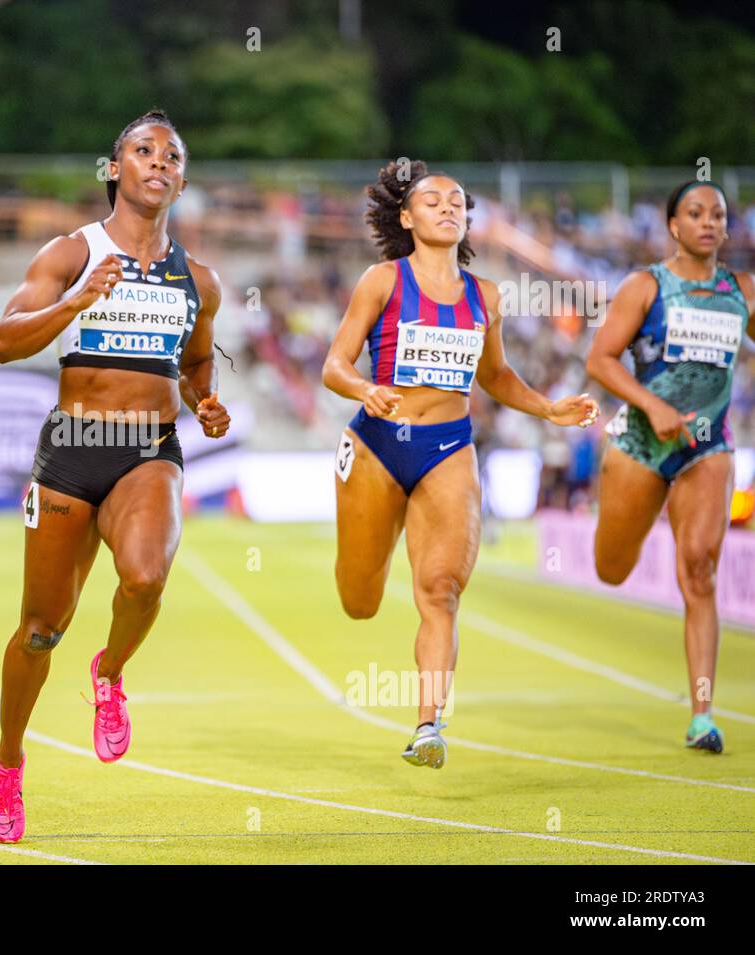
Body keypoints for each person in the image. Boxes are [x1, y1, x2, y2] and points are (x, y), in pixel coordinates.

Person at [0, 109, 229, 842]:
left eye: (171, 155)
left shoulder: (199, 280)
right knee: (38, 629)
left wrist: (206, 401)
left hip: (147, 449)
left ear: (181, 179)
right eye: (142, 150)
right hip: (71, 450)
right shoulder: (72, 252)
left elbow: (194, 364)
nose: (158, 161)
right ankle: (7, 763)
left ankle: (111, 671)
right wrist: (75, 301)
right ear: (114, 168)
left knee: (146, 577)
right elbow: (3, 340)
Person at [321, 160, 599, 769]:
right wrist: (364, 389)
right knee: (359, 599)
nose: (448, 207)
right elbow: (334, 365)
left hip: (449, 447)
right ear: (406, 216)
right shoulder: (382, 281)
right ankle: (363, 578)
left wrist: (548, 408)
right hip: (375, 444)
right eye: (432, 200)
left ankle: (427, 727)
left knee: (441, 590)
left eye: (458, 200)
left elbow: (495, 376)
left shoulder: (486, 296)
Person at [587, 181, 755, 753]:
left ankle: (702, 715)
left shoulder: (741, 292)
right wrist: (653, 405)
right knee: (611, 568)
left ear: (727, 229)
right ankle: (627, 523)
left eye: (718, 215)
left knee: (700, 569)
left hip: (707, 446)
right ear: (673, 227)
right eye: (694, 213)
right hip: (639, 446)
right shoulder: (646, 287)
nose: (707, 222)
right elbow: (600, 359)